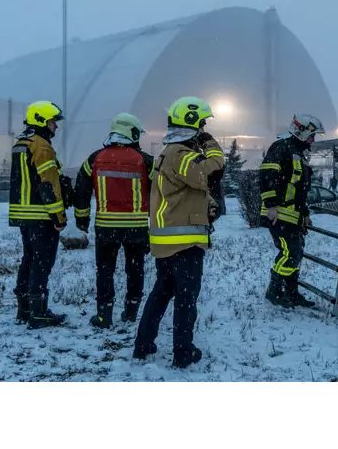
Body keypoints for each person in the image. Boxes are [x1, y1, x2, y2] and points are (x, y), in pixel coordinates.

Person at [133, 96, 225, 368]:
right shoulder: (179, 153)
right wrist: (212, 147)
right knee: (186, 300)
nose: (205, 127)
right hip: (182, 244)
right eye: (203, 123)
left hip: (170, 242)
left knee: (161, 294)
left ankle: (143, 345)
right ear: (193, 122)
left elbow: (187, 191)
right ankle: (183, 352)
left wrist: (206, 206)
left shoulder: (170, 152)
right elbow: (209, 172)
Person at [73, 113, 154, 328]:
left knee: (105, 270)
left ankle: (103, 315)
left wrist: (82, 220)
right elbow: (159, 192)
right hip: (136, 228)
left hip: (105, 227)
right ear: (133, 133)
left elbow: (81, 190)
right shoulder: (146, 161)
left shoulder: (94, 158)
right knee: (135, 270)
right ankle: (131, 312)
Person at [9, 100, 71, 330]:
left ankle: (24, 308)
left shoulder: (21, 143)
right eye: (53, 121)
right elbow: (48, 184)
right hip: (41, 215)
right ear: (43, 121)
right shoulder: (42, 146)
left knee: (28, 260)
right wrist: (59, 217)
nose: (56, 126)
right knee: (42, 263)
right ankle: (39, 312)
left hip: (24, 215)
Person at [258, 113, 325, 308]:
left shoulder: (299, 153)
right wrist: (270, 205)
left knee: (295, 253)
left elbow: (300, 190)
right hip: (279, 213)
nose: (313, 140)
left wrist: (305, 214)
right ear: (301, 131)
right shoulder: (281, 147)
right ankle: (274, 290)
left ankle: (292, 293)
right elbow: (266, 175)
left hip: (293, 214)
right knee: (291, 254)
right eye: (312, 135)